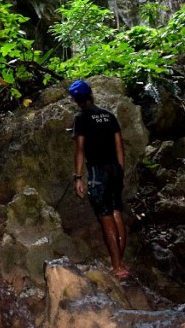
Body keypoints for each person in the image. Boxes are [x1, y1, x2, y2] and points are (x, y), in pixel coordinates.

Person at [69, 79, 129, 279]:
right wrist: (120, 171)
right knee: (116, 214)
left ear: (76, 100)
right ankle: (120, 260)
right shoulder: (108, 115)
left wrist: (78, 177)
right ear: (91, 94)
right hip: (114, 169)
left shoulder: (81, 118)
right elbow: (119, 145)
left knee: (106, 217)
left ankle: (117, 266)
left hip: (98, 171)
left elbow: (80, 149)